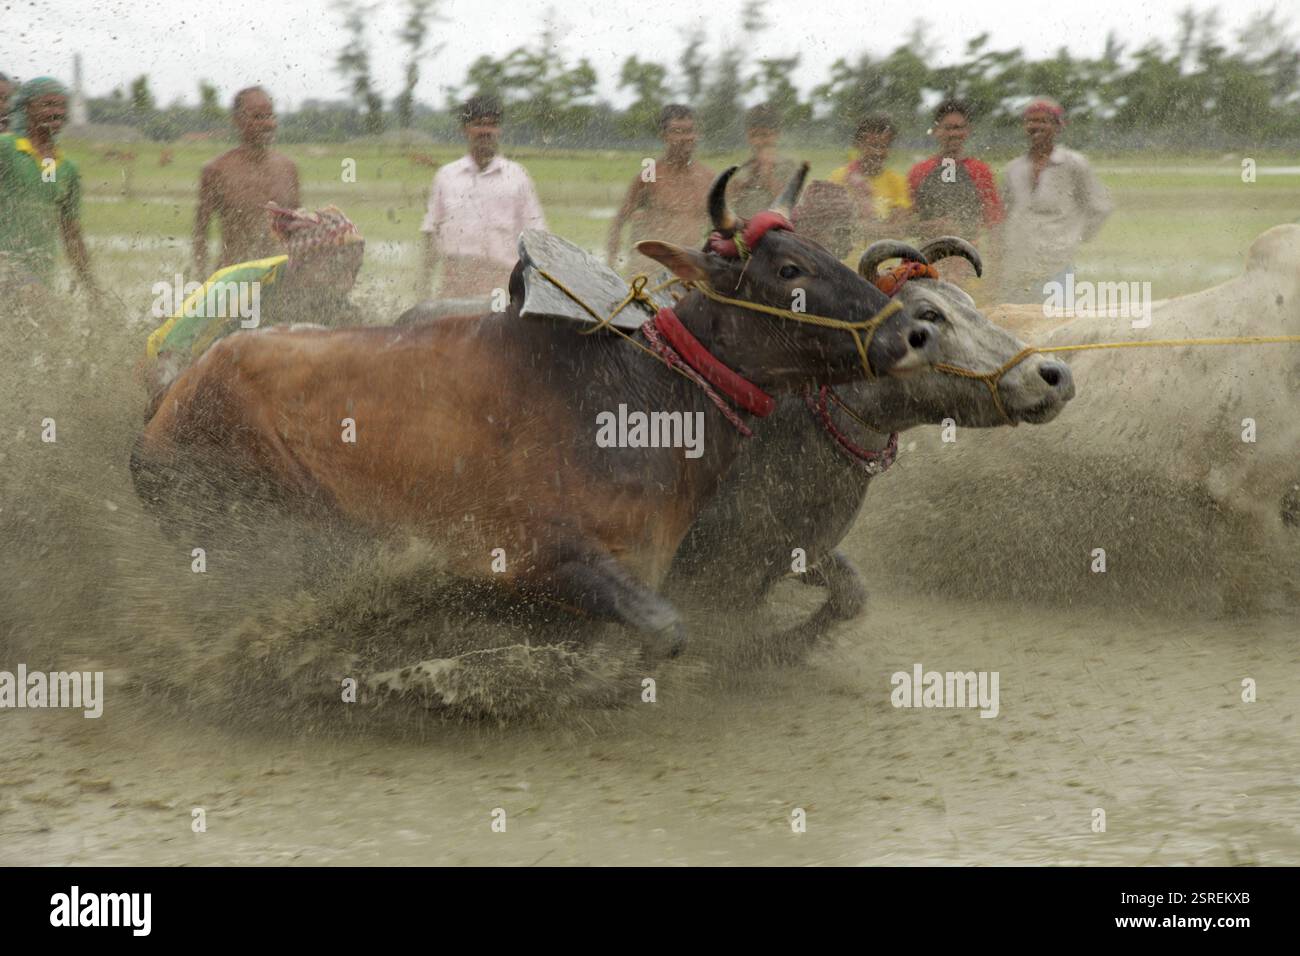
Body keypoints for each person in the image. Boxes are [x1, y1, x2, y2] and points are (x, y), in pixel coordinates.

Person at [145, 204, 365, 415]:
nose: (346, 284)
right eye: (336, 270)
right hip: (170, 372)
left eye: (353, 272)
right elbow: (171, 354)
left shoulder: (336, 308)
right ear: (302, 263)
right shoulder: (240, 284)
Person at [420, 94, 547, 300]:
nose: (486, 131)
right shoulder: (446, 176)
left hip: (502, 289)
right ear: (464, 129)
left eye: (492, 125)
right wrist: (423, 291)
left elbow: (537, 238)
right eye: (479, 124)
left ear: (499, 130)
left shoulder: (517, 177)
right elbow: (430, 235)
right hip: (454, 286)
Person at [998, 97, 1112, 303]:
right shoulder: (1013, 169)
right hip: (1018, 265)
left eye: (1044, 121)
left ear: (1058, 126)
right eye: (1031, 121)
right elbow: (1004, 212)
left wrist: (1074, 238)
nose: (1036, 126)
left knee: (1056, 325)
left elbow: (1099, 206)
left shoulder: (1073, 164)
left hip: (1056, 265)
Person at [0, 76, 99, 300]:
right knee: (40, 307)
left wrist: (93, 290)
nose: (57, 112)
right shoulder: (6, 149)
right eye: (48, 104)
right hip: (6, 267)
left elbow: (72, 235)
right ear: (26, 109)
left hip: (41, 274)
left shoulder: (64, 168)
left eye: (62, 106)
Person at [193, 86, 300, 277]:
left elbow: (298, 232)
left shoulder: (288, 169)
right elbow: (201, 234)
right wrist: (201, 281)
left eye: (271, 116)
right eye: (258, 117)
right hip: (233, 278)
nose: (268, 124)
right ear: (238, 121)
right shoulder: (216, 171)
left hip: (280, 278)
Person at [606, 104, 715, 276]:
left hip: (692, 271)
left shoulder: (708, 178)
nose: (686, 138)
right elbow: (620, 222)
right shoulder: (650, 174)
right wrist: (610, 267)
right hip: (652, 271)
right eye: (678, 132)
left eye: (690, 131)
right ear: (664, 136)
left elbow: (720, 231)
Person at [907, 99, 1003, 244]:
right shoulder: (919, 171)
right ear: (935, 130)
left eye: (958, 128)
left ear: (968, 130)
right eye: (948, 128)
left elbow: (994, 223)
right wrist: (927, 227)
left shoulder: (980, 171)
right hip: (927, 258)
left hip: (967, 258)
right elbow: (903, 224)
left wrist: (996, 262)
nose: (953, 133)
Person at [828, 113, 912, 245]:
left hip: (885, 260)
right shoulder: (839, 177)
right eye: (873, 145)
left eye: (883, 146)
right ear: (858, 145)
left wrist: (859, 225)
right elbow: (833, 225)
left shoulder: (897, 182)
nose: (877, 153)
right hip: (844, 261)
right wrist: (882, 227)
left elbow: (899, 231)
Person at [728, 103, 800, 219]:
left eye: (765, 135)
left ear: (777, 134)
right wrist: (738, 186)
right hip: (747, 232)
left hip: (778, 231)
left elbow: (793, 209)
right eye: (754, 135)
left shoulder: (788, 166)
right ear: (747, 136)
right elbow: (729, 204)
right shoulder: (742, 168)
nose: (758, 141)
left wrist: (768, 175)